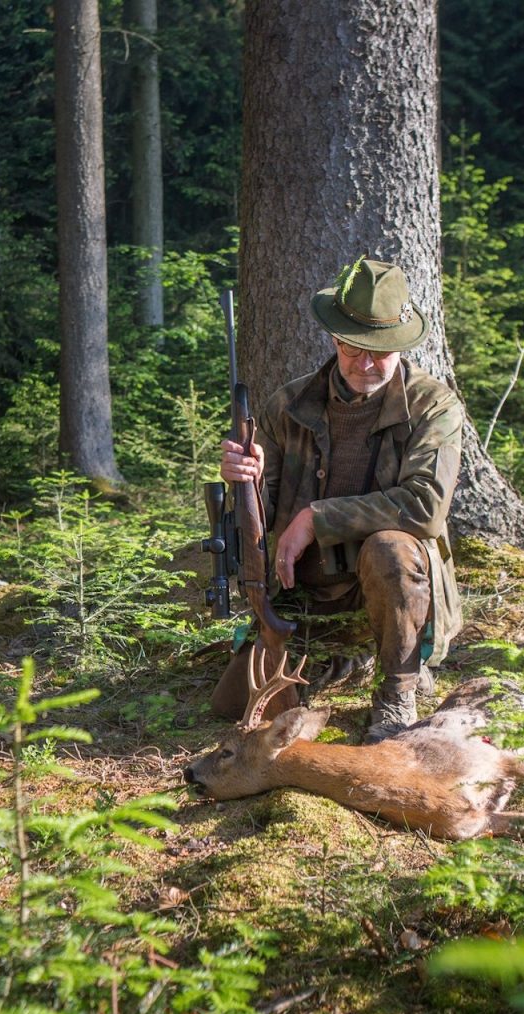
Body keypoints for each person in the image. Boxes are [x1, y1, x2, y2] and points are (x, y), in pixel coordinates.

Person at [212, 256, 463, 743]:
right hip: (306, 592)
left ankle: (397, 690)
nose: (365, 364)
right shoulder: (289, 406)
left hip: (390, 585)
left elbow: (425, 506)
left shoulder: (432, 406)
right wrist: (247, 479)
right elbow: (259, 521)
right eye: (352, 347)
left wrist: (317, 517)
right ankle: (339, 655)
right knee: (229, 706)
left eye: (381, 351)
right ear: (333, 338)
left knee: (391, 548)